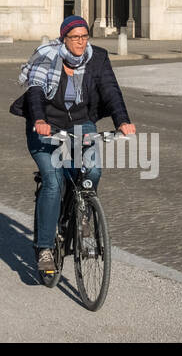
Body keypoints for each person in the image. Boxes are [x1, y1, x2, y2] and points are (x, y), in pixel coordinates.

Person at [20, 15, 136, 278]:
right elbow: (35, 91)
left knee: (92, 171)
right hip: (47, 127)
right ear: (64, 39)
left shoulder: (98, 58)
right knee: (53, 180)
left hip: (81, 124)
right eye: (75, 37)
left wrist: (123, 121)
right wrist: (39, 119)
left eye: (85, 37)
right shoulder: (47, 58)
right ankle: (45, 248)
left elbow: (111, 90)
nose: (81, 42)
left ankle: (82, 212)